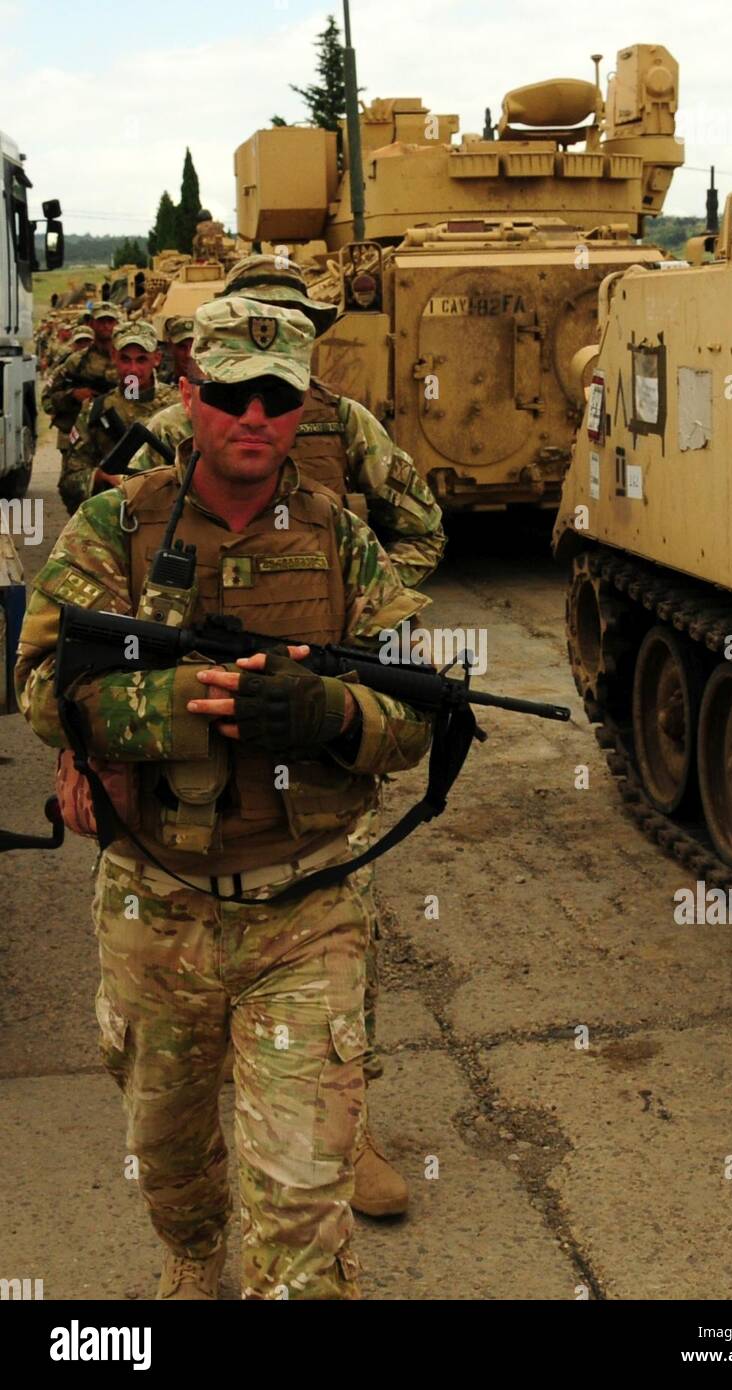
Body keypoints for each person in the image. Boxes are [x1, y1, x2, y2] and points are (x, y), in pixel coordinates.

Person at [16, 295, 433, 1300]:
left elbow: (419, 714)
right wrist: (171, 709)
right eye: (233, 394)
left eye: (277, 397)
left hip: (307, 908)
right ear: (190, 393)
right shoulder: (116, 526)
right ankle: (191, 1264)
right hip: (156, 903)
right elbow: (38, 683)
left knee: (299, 1206)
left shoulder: (341, 541)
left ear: (302, 406)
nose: (254, 417)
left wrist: (329, 712)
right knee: (168, 1156)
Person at [127, 253, 446, 1216]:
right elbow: (110, 588)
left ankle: (347, 1130)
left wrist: (346, 624)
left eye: (288, 335)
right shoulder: (167, 441)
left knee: (341, 935)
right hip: (183, 768)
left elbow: (421, 532)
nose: (257, 404)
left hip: (315, 738)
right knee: (175, 1039)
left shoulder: (347, 429)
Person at [59, 321, 177, 515]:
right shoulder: (95, 411)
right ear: (114, 357)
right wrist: (101, 476)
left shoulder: (178, 406)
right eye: (125, 359)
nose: (132, 369)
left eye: (141, 360)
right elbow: (69, 480)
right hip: (115, 516)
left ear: (156, 358)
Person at [42, 302, 123, 436]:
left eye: (110, 321)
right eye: (101, 321)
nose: (106, 326)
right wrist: (73, 395)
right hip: (85, 440)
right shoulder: (76, 362)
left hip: (119, 435)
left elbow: (135, 398)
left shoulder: (130, 360)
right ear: (91, 323)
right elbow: (48, 401)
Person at [41, 324, 96, 461]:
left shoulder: (107, 368)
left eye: (87, 342)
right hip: (70, 436)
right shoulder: (63, 370)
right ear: (73, 345)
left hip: (100, 437)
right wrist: (71, 396)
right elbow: (47, 402)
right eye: (80, 342)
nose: (84, 347)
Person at [159, 316, 194, 385]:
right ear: (170, 346)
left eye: (193, 347)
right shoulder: (160, 384)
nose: (188, 355)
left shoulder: (213, 387)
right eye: (182, 347)